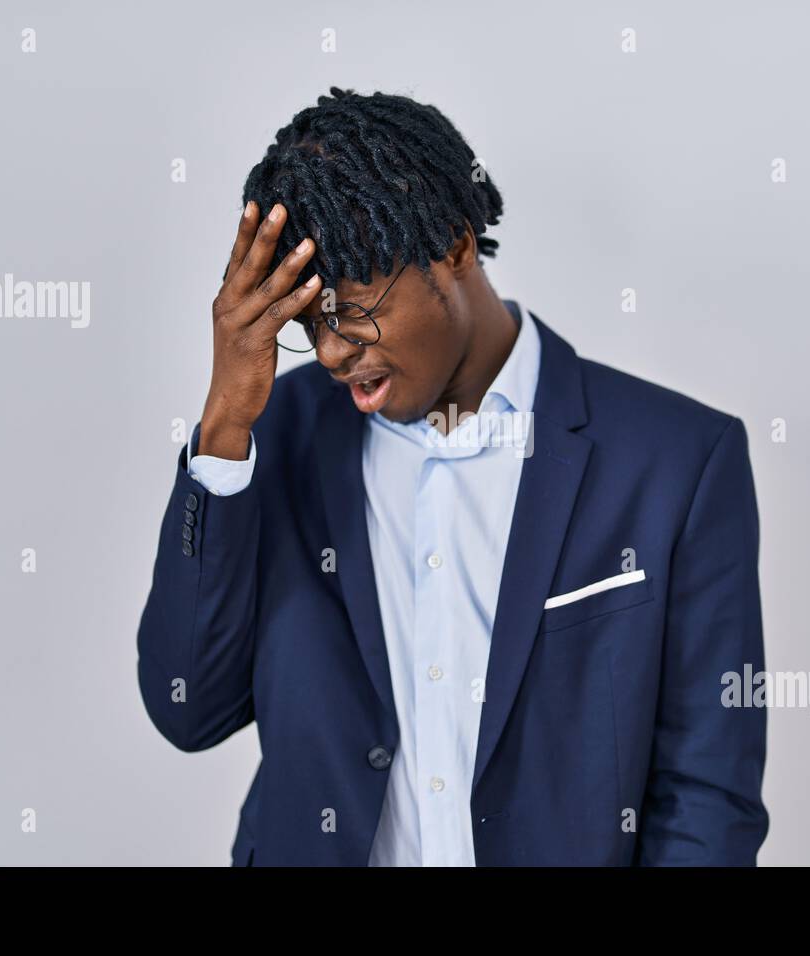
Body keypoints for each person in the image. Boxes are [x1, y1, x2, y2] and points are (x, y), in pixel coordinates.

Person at [137, 86, 769, 866]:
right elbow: (188, 711)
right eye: (309, 325)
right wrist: (226, 425)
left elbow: (708, 794)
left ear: (456, 247)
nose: (332, 352)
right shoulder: (275, 437)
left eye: (353, 311)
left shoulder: (675, 461)